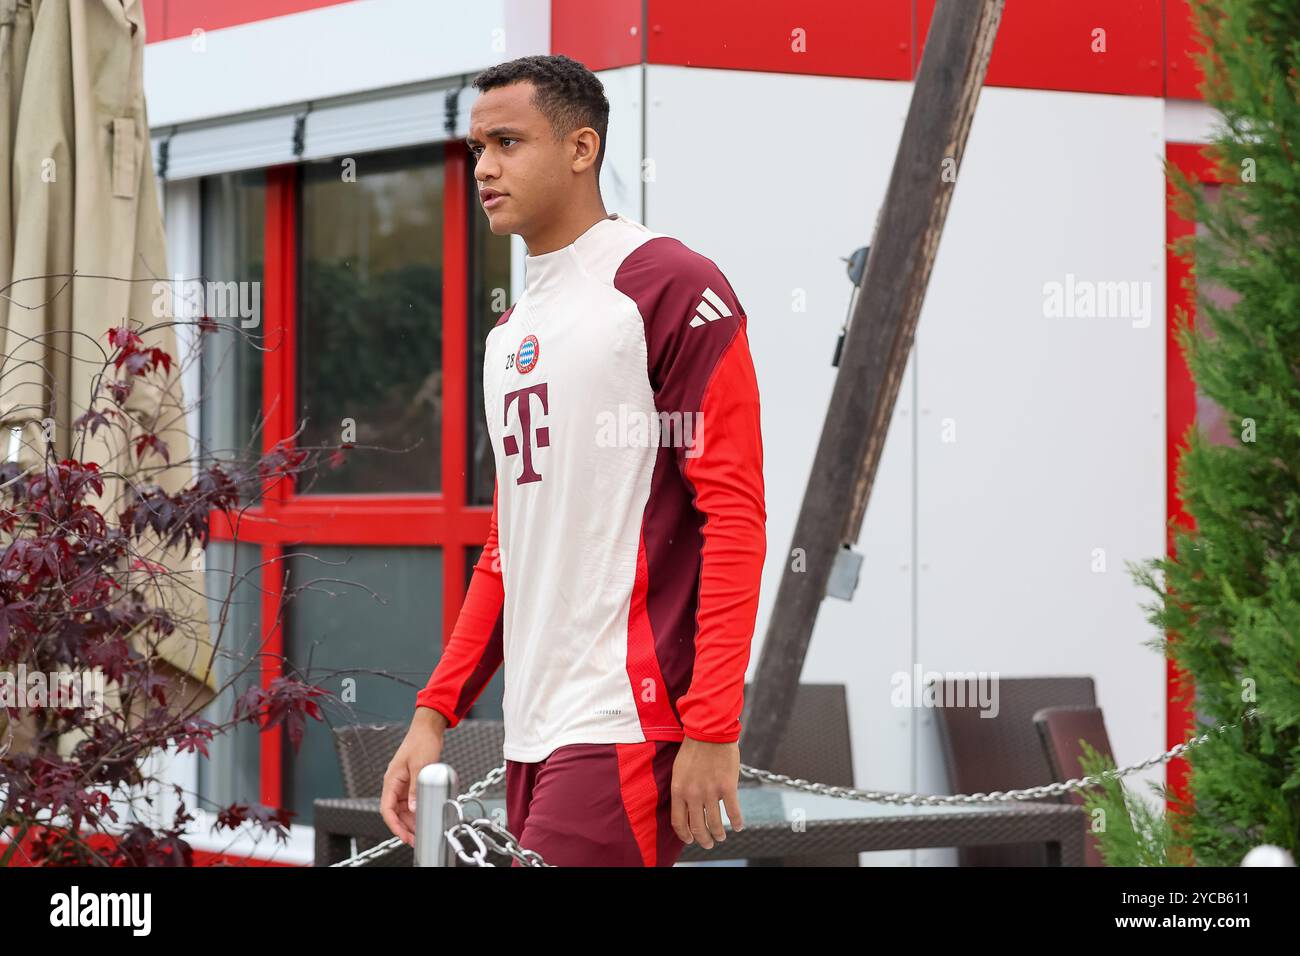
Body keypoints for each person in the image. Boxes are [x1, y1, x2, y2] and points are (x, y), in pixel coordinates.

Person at [379, 53, 766, 867]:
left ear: (582, 148)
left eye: (508, 142)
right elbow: (507, 546)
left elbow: (733, 514)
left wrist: (712, 724)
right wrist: (434, 712)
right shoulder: (510, 331)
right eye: (477, 147)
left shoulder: (670, 286)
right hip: (534, 728)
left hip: (628, 719)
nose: (484, 167)